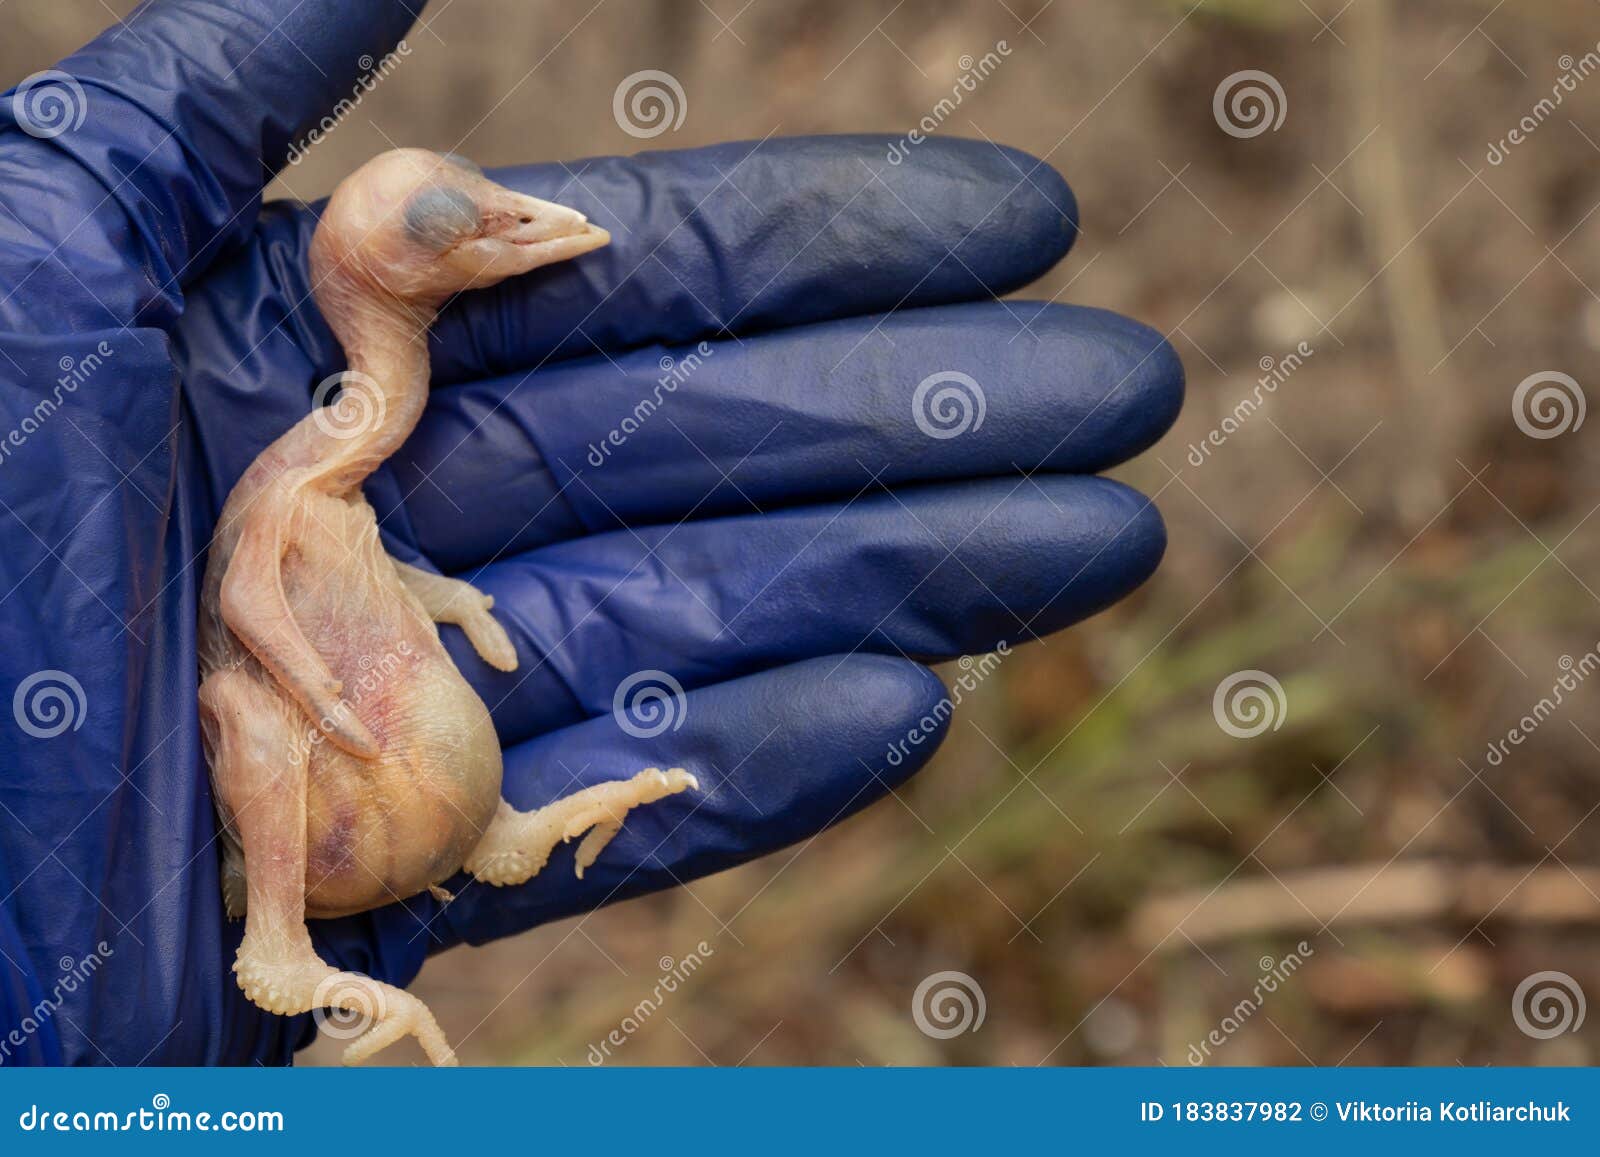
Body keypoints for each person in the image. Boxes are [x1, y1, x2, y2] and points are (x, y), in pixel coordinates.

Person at [0, 0, 1181, 1065]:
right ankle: (281, 940)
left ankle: (492, 829)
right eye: (457, 228)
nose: (511, 230)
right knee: (237, 702)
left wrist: (441, 599)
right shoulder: (291, 472)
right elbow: (254, 608)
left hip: (397, 802)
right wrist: (313, 691)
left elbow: (338, 567)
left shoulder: (324, 459)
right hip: (322, 829)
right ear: (377, 275)